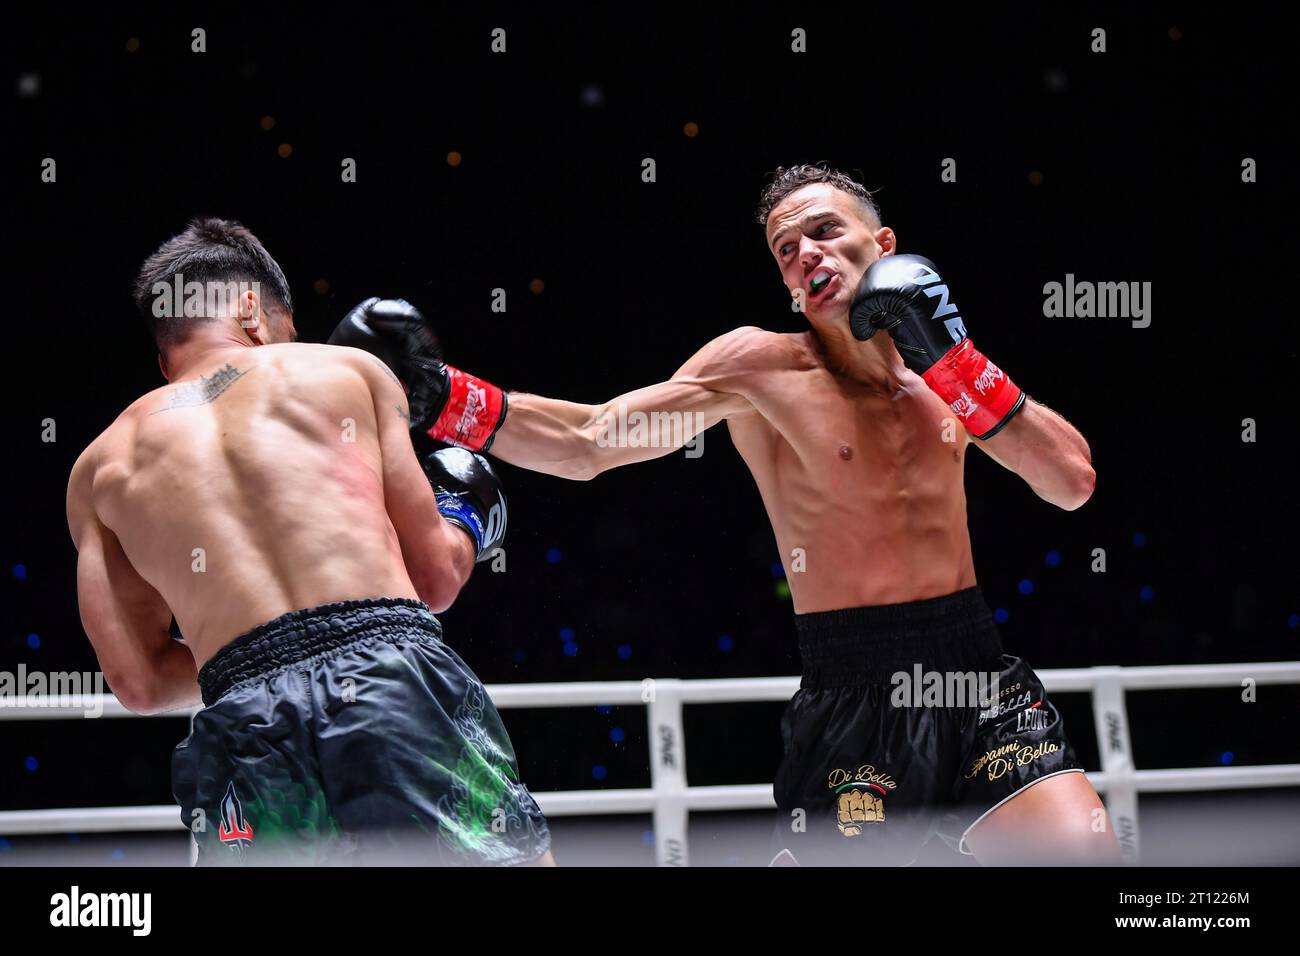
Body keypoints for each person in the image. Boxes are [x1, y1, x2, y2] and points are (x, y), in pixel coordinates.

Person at [346, 164, 1122, 865]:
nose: (808, 255)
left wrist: (955, 358)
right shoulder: (762, 368)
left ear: (881, 242)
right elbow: (590, 442)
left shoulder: (946, 375)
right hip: (853, 693)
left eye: (825, 232)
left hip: (976, 676)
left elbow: (1072, 482)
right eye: (787, 251)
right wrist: (441, 393)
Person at [65, 218, 551, 865]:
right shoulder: (349, 372)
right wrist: (464, 517)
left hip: (244, 722)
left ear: (164, 359)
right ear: (251, 310)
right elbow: (433, 579)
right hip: (385, 675)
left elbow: (140, 685)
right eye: (287, 328)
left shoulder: (98, 472)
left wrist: (237, 655)